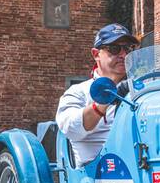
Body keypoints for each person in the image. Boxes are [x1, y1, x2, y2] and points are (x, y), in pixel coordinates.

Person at [56, 23, 138, 164]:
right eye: (114, 48)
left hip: (141, 164)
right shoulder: (79, 92)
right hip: (97, 175)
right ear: (96, 54)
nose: (123, 55)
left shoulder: (140, 89)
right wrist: (101, 104)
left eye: (128, 49)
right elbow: (69, 129)